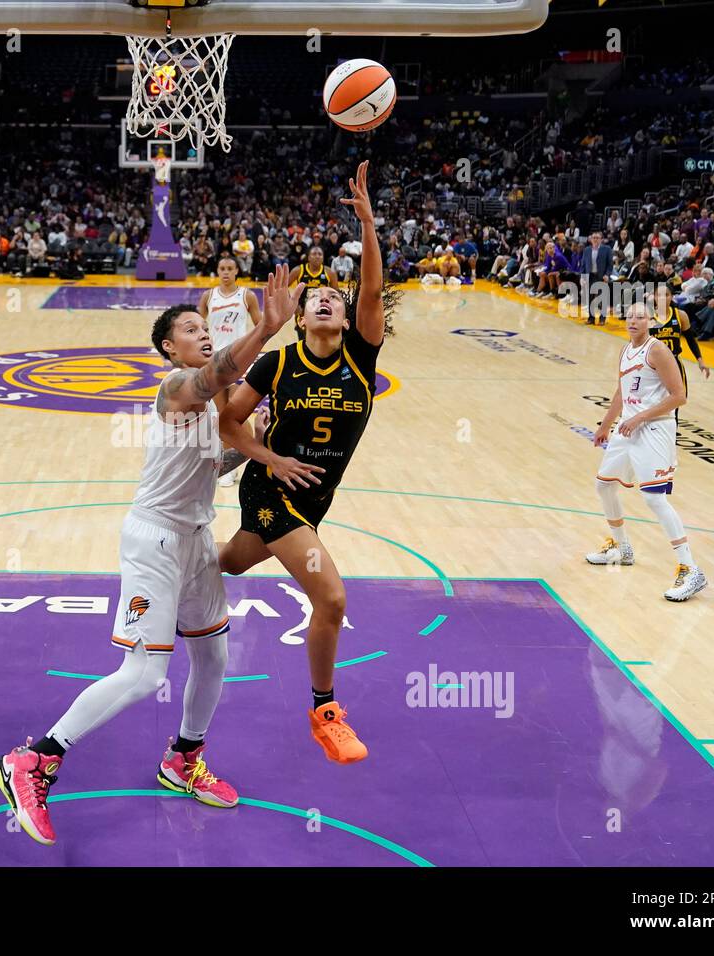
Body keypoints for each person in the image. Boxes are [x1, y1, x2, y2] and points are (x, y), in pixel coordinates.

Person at [0, 266, 300, 847]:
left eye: (206, 325)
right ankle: (33, 760)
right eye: (191, 327)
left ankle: (183, 759)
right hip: (154, 541)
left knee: (213, 659)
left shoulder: (210, 408)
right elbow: (220, 373)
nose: (203, 331)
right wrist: (268, 330)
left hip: (196, 540)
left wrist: (261, 448)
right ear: (168, 346)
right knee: (143, 674)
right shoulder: (175, 389)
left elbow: (210, 466)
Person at [216, 161, 396, 765]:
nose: (325, 300)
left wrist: (368, 223)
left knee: (233, 564)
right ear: (299, 316)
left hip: (312, 502)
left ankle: (183, 566)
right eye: (314, 298)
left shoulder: (361, 360)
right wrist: (269, 457)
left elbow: (371, 289)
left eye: (333, 299)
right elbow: (229, 424)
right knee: (334, 599)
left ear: (347, 319)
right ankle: (325, 712)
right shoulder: (277, 364)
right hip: (271, 488)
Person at [586, 302, 706, 602]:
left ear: (651, 321)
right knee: (604, 485)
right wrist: (605, 424)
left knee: (654, 498)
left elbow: (680, 397)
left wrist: (639, 417)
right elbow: (621, 392)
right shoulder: (625, 350)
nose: (633, 321)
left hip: (654, 429)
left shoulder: (658, 351)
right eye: (630, 316)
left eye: (640, 317)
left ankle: (691, 569)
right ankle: (622, 547)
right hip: (627, 429)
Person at [199, 254, 264, 487]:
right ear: (217, 271)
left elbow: (261, 325)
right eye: (222, 268)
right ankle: (228, 465)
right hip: (215, 363)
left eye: (230, 268)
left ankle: (257, 450)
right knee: (220, 417)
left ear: (237, 271)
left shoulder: (246, 295)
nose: (226, 272)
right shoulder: (208, 296)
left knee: (238, 415)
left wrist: (252, 346)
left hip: (240, 361)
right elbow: (198, 325)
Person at [647, 283, 710, 422]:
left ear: (672, 297)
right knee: (651, 401)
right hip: (652, 365)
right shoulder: (647, 316)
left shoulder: (680, 315)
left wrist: (700, 360)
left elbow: (691, 340)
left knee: (675, 402)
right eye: (659, 295)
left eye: (666, 295)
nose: (663, 298)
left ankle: (671, 434)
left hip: (674, 363)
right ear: (654, 297)